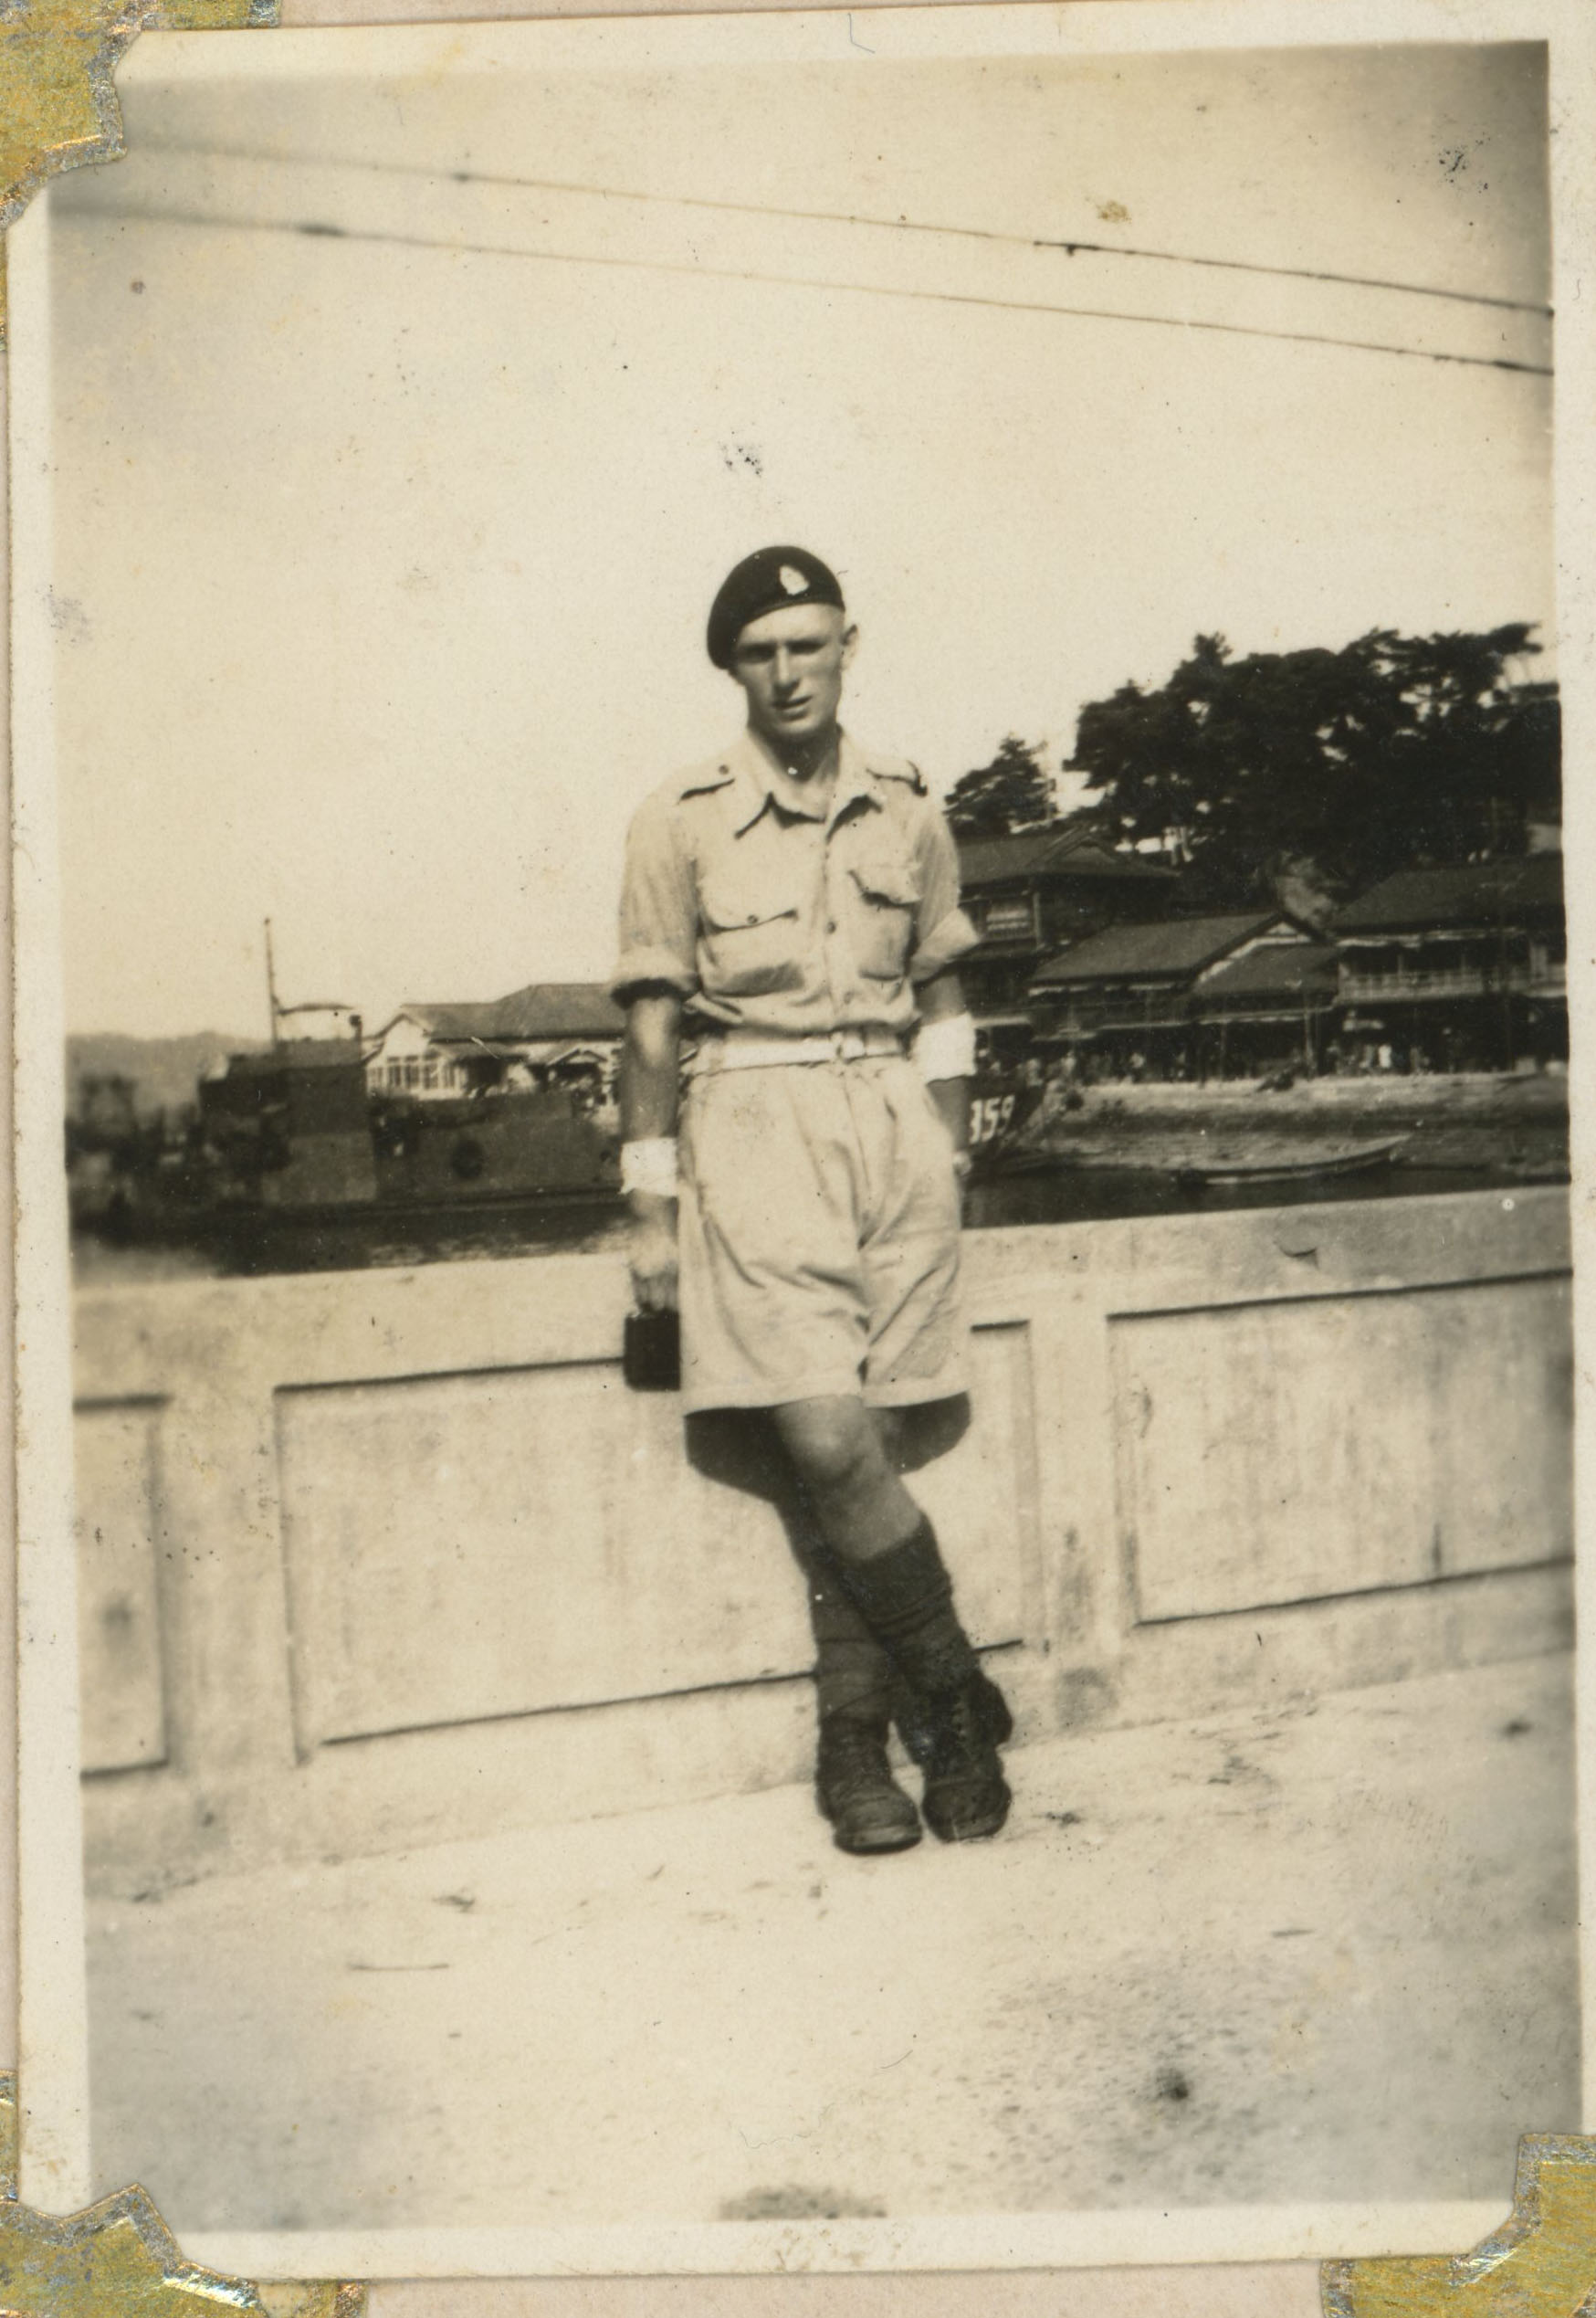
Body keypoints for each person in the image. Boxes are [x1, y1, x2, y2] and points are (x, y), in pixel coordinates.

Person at [611, 545, 1013, 1856]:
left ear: (849, 646)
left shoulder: (908, 810)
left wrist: (949, 1148)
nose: (788, 673)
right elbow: (650, 1031)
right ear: (732, 668)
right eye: (760, 652)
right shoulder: (676, 818)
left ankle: (855, 1749)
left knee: (865, 1452)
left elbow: (945, 997)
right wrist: (651, 1209)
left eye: (808, 644)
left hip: (895, 1136)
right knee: (830, 1444)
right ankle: (954, 1692)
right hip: (754, 1125)